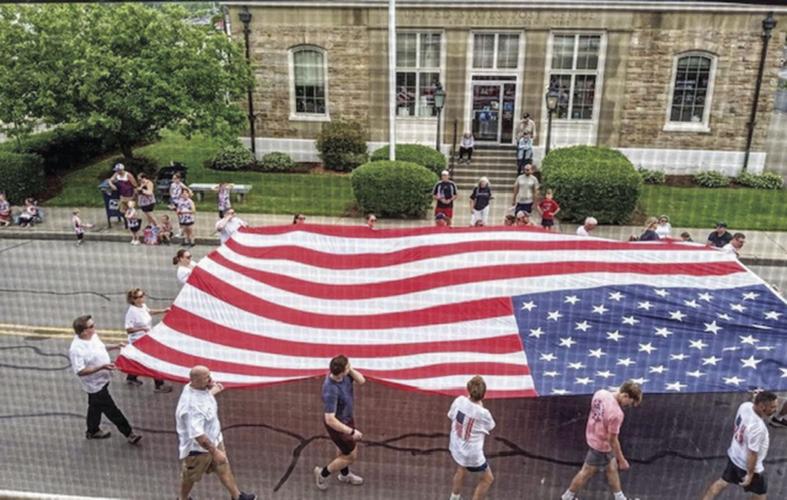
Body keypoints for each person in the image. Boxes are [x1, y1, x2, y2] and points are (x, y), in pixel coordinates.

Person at [176, 365, 256, 500]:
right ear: (197, 381)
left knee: (223, 467)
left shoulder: (194, 388)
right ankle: (183, 498)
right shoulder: (191, 407)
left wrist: (213, 390)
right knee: (190, 477)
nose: (211, 379)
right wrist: (215, 452)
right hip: (198, 450)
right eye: (207, 378)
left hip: (214, 440)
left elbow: (203, 400)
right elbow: (199, 436)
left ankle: (237, 497)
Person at [561, 381, 643, 500]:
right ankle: (567, 497)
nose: (628, 406)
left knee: (611, 468)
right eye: (629, 403)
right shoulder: (616, 414)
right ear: (625, 395)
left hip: (591, 435)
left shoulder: (600, 394)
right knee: (587, 472)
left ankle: (620, 497)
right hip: (601, 446)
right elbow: (612, 439)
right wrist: (622, 460)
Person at [68, 315, 142, 445]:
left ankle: (92, 430)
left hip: (103, 379)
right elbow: (80, 371)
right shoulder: (76, 349)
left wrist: (115, 346)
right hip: (94, 385)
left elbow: (100, 348)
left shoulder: (93, 336)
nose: (94, 327)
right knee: (112, 410)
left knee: (95, 406)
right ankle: (129, 433)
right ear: (84, 331)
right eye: (91, 326)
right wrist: (101, 367)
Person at [701, 391, 779, 500]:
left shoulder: (745, 406)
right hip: (748, 467)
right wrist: (750, 475)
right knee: (760, 496)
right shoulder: (758, 428)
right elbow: (752, 453)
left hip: (734, 456)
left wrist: (755, 396)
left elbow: (753, 402)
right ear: (762, 406)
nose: (775, 410)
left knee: (722, 482)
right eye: (772, 407)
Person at [314, 355, 366, 491]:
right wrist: (351, 432)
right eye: (348, 366)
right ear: (341, 372)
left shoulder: (346, 375)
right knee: (350, 456)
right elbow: (330, 419)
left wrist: (350, 369)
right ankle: (323, 474)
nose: (350, 367)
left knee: (342, 450)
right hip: (339, 425)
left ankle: (344, 475)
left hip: (347, 418)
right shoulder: (330, 390)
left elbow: (361, 380)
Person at [447, 376, 495, 500]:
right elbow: (490, 426)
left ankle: (454, 497)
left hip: (457, 447)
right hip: (472, 454)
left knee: (461, 468)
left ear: (468, 390)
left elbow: (451, 415)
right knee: (488, 478)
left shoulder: (459, 401)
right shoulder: (483, 413)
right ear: (483, 395)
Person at [124, 288, 172, 393]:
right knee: (154, 361)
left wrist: (163, 310)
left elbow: (149, 312)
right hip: (139, 341)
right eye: (139, 297)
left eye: (143, 295)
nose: (142, 298)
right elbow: (128, 329)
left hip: (147, 337)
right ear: (133, 299)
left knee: (141, 361)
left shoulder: (142, 306)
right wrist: (142, 329)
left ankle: (131, 377)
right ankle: (159, 386)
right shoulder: (131, 312)